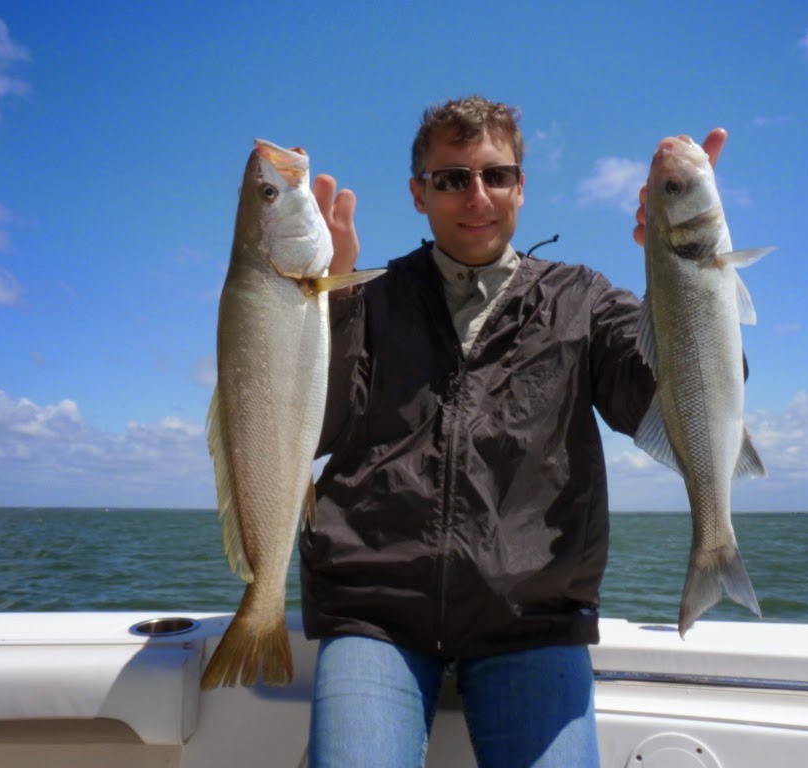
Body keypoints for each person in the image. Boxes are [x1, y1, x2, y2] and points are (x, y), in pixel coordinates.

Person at [300, 95, 727, 768]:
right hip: (374, 614)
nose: (477, 196)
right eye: (452, 179)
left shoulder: (583, 299)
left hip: (534, 619)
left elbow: (656, 400)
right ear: (418, 194)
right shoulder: (371, 299)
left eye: (496, 176)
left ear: (521, 187)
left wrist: (678, 276)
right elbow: (314, 429)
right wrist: (332, 298)